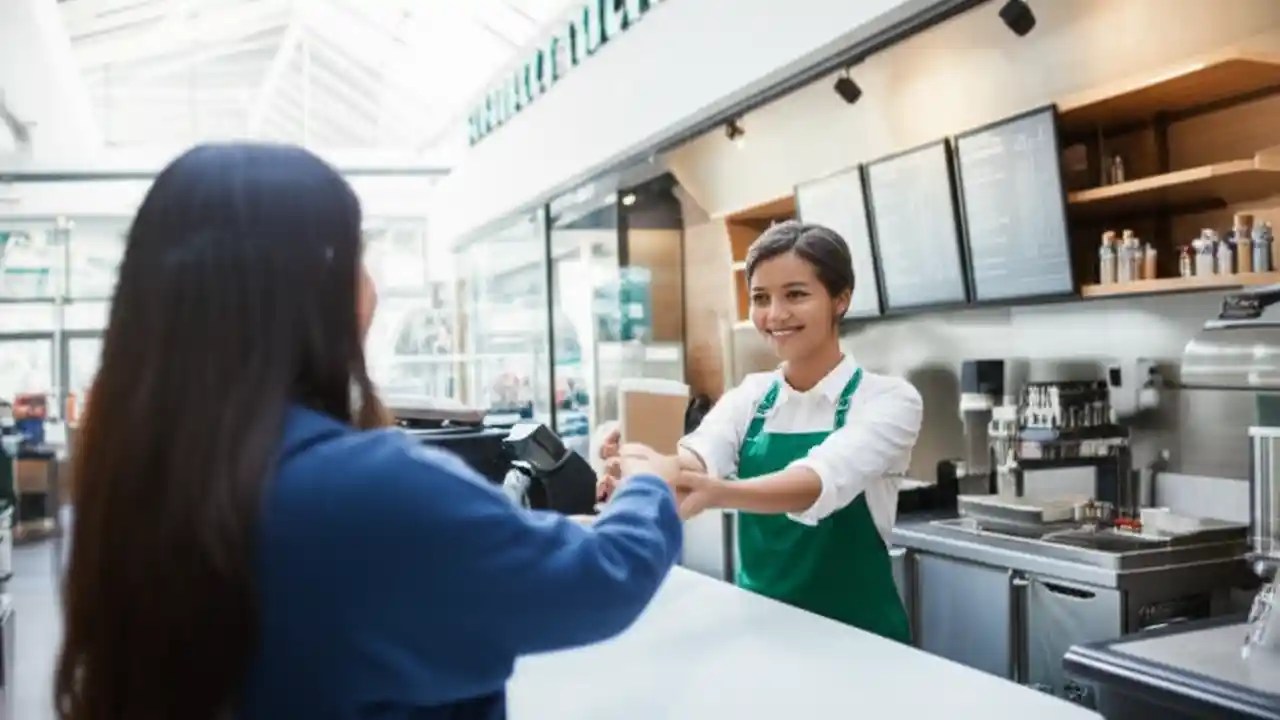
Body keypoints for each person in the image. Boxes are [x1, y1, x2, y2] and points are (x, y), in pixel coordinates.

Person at [55, 143, 686, 720]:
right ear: (309, 286)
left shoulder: (138, 476)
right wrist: (648, 486)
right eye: (355, 258)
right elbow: (603, 580)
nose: (372, 288)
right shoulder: (368, 487)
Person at [600, 220, 922, 643]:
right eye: (760, 298)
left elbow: (820, 478)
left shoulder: (890, 399)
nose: (774, 315)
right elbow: (698, 454)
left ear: (840, 299)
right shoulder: (751, 396)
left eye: (796, 295)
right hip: (760, 632)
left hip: (862, 638)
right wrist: (645, 465)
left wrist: (717, 493)